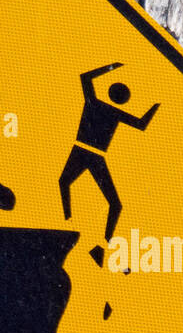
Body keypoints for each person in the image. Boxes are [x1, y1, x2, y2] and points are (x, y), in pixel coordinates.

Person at [58, 63, 158, 242]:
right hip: (91, 154)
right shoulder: (112, 111)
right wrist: (156, 104)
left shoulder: (94, 102)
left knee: (65, 183)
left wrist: (109, 68)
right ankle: (77, 226)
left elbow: (85, 78)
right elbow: (142, 123)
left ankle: (73, 223)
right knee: (113, 203)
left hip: (84, 152)